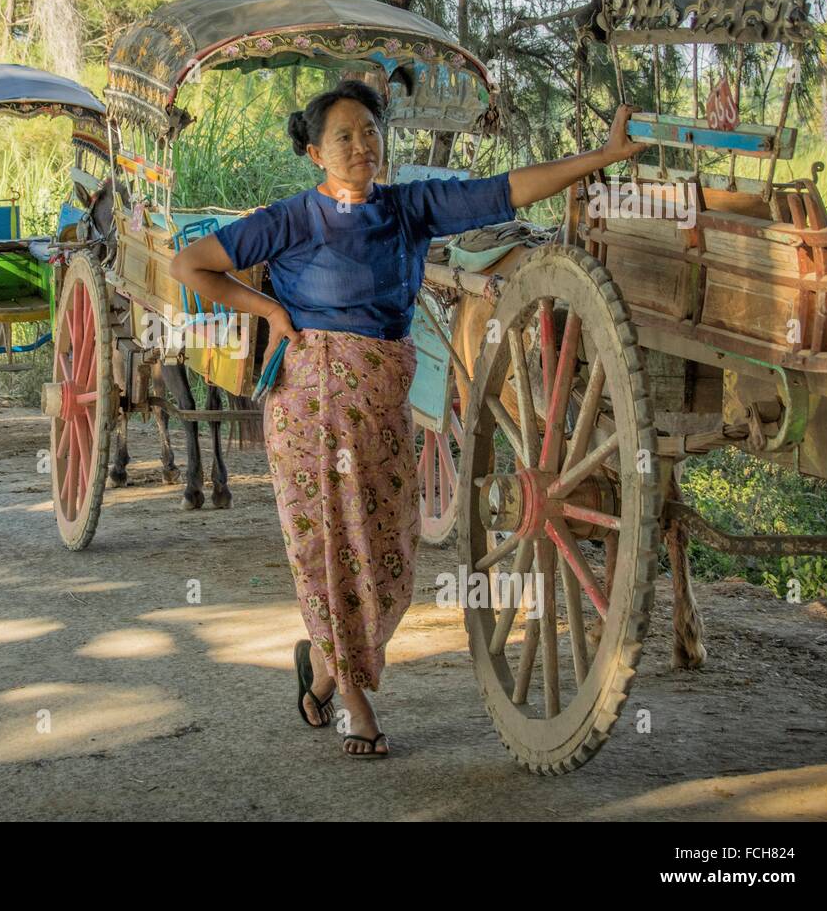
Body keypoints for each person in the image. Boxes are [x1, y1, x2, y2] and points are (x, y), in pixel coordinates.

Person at [169, 80, 647, 758]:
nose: (363, 146)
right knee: (330, 547)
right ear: (314, 152)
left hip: (381, 406)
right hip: (310, 406)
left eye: (370, 130)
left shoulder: (410, 209)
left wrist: (599, 158)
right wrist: (272, 313)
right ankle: (356, 710)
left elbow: (507, 189)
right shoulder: (292, 220)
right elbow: (189, 263)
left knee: (387, 561)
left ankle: (328, 671)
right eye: (344, 136)